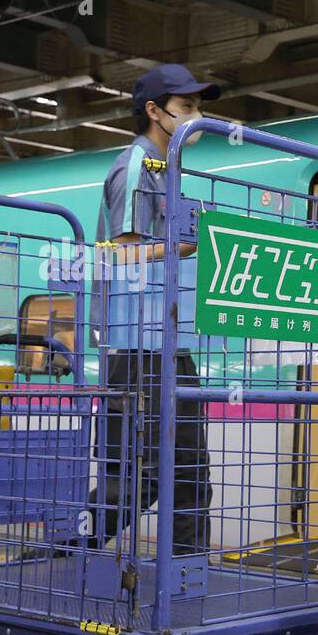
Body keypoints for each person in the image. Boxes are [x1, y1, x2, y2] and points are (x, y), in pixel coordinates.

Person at [90, 64, 219, 556]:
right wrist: (190, 246)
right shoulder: (135, 167)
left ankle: (190, 578)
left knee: (186, 474)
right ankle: (66, 551)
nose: (197, 116)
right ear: (154, 111)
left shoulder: (170, 171)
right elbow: (119, 253)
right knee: (140, 480)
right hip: (135, 347)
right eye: (187, 106)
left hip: (168, 341)